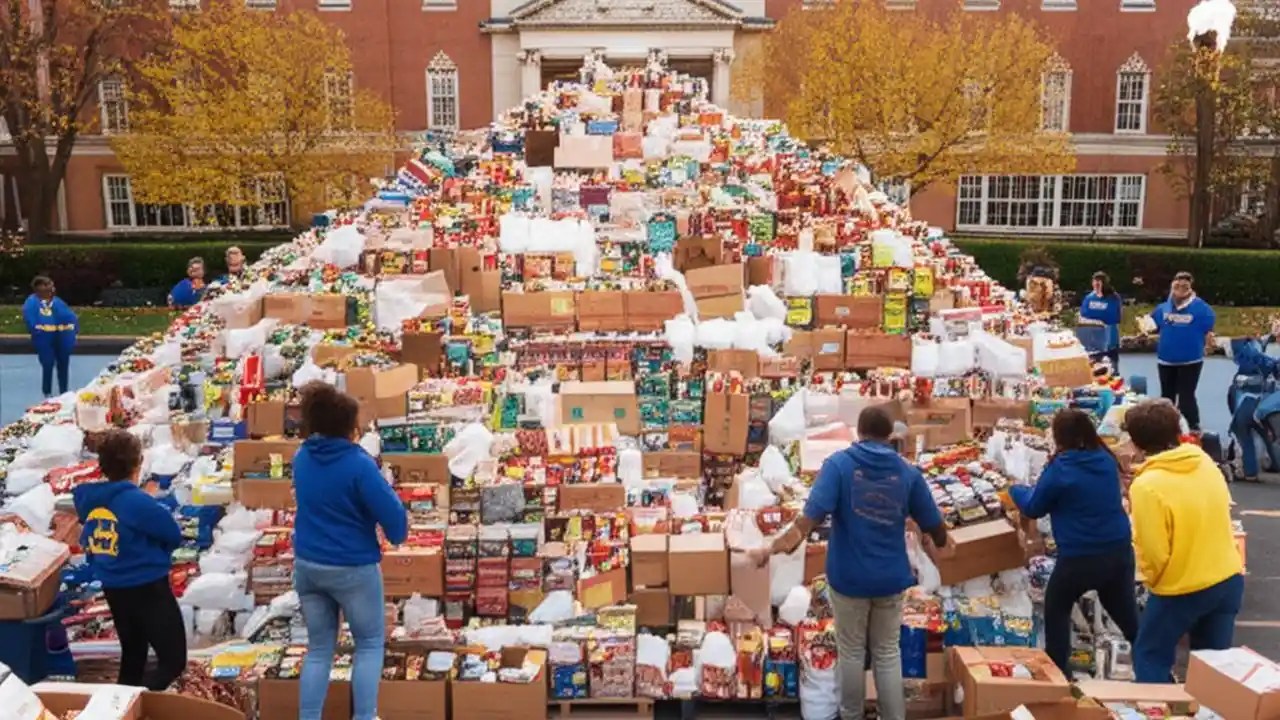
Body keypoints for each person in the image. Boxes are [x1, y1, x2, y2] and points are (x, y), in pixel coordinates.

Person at [748, 406, 949, 720]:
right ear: (889, 436)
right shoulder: (907, 472)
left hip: (849, 579)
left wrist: (770, 548)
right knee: (886, 652)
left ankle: (851, 714)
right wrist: (943, 547)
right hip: (890, 579)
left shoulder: (839, 466)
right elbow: (934, 526)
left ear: (859, 431)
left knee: (852, 651)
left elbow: (805, 523)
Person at [293, 382, 408, 720]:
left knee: (319, 650)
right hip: (352, 567)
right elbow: (395, 520)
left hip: (309, 564)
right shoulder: (358, 465)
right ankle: (364, 715)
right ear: (349, 427)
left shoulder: (302, 457)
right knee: (369, 643)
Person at [1009, 408, 1139, 677]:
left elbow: (1033, 507)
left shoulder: (1061, 469)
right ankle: (1156, 669)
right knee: (1127, 617)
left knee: (1056, 608)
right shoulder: (1104, 458)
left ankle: (1060, 674)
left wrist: (1014, 489)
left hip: (1080, 556)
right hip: (1118, 551)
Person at [1125, 400, 1244, 683]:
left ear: (1136, 442)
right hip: (1226, 577)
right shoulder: (1201, 460)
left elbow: (1154, 552)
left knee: (1150, 655)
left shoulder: (1147, 486)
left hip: (1181, 586)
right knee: (1213, 671)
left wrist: (1152, 585)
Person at [73, 429, 186, 690]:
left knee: (134, 656)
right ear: (138, 463)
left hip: (114, 586)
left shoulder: (91, 500)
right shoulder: (135, 502)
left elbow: (88, 541)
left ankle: (122, 705)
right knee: (173, 660)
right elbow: (172, 533)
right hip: (147, 586)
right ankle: (136, 702)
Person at [1149, 272, 1216, 430]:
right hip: (1165, 359)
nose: (1179, 289)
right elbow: (1153, 326)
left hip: (1190, 360)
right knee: (1167, 397)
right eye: (1176, 285)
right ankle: (1167, 427)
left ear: (1190, 288)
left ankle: (1192, 427)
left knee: (1186, 397)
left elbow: (1209, 332)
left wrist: (1209, 344)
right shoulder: (1163, 308)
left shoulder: (1202, 308)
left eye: (1184, 286)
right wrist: (1146, 327)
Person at [22, 276, 78, 397]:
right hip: (44, 338)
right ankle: (47, 392)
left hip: (61, 337)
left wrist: (71, 328)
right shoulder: (32, 302)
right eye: (47, 285)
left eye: (51, 286)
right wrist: (38, 330)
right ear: (39, 288)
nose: (51, 288)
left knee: (63, 364)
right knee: (47, 364)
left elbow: (70, 316)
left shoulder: (57, 301)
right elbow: (30, 320)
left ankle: (64, 391)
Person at [1080, 271, 1123, 371]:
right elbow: (1083, 315)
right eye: (1094, 283)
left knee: (1112, 370)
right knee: (1094, 370)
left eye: (1099, 283)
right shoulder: (1089, 298)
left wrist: (1096, 319)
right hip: (1092, 342)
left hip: (1110, 341)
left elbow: (1115, 317)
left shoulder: (1113, 298)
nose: (1096, 286)